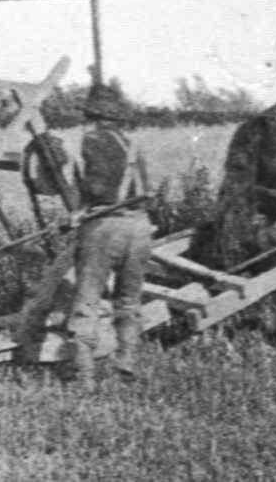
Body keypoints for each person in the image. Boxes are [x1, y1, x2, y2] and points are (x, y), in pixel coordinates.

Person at [65, 83, 153, 390]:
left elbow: (76, 192)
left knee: (87, 301)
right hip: (140, 226)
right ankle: (125, 363)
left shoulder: (81, 143)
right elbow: (144, 191)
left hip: (103, 227)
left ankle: (84, 377)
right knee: (128, 300)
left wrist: (75, 215)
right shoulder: (133, 145)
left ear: (90, 115)